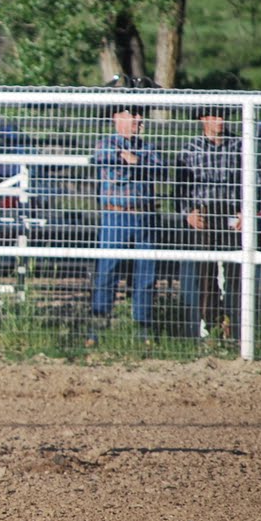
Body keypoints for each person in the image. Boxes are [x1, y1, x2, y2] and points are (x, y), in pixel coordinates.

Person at [88, 102, 164, 345]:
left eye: (139, 115)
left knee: (147, 274)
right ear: (116, 118)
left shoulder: (148, 147)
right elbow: (112, 169)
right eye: (132, 115)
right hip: (116, 215)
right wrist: (135, 163)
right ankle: (97, 328)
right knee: (107, 271)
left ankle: (143, 330)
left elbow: (160, 171)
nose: (138, 120)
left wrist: (133, 161)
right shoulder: (105, 145)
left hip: (145, 216)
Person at [176, 104, 242, 342]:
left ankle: (235, 328)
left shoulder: (239, 146)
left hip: (231, 214)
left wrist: (246, 211)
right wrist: (188, 213)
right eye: (214, 116)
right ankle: (208, 327)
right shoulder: (190, 149)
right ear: (203, 119)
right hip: (203, 214)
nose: (220, 120)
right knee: (205, 274)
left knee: (235, 273)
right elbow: (180, 187)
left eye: (222, 116)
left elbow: (253, 180)